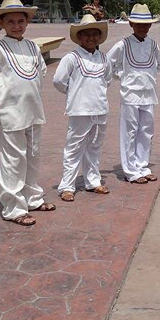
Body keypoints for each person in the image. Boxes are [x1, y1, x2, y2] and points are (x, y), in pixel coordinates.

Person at [0, 0, 57, 227]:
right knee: (13, 160)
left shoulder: (32, 46)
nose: (16, 25)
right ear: (1, 23)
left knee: (32, 157)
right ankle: (13, 207)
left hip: (33, 110)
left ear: (27, 22)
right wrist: (0, 84)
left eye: (20, 21)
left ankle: (32, 197)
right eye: (10, 21)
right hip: (10, 112)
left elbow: (40, 71)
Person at [53, 14, 112, 201]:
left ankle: (93, 181)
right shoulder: (71, 57)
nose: (91, 38)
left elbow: (107, 80)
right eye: (86, 34)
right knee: (74, 148)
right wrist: (74, 94)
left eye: (95, 34)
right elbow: (58, 81)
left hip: (100, 108)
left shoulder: (103, 57)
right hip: (79, 110)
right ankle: (67, 186)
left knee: (94, 146)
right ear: (79, 37)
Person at [106, 3, 160, 184]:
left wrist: (148, 77)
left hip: (148, 92)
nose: (142, 28)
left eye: (145, 24)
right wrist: (121, 76)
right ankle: (131, 170)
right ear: (131, 24)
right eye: (138, 24)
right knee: (129, 131)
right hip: (130, 93)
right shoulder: (122, 44)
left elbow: (158, 64)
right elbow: (108, 63)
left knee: (146, 130)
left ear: (150, 25)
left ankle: (142, 165)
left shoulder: (153, 44)